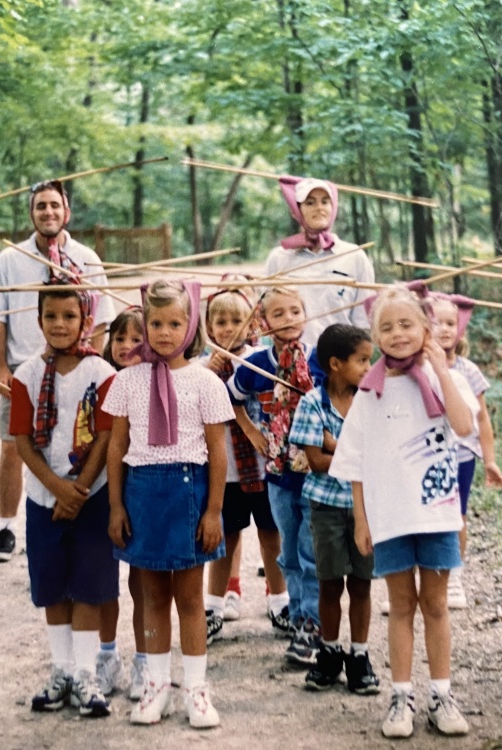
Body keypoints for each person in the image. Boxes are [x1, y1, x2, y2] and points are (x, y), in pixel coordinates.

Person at [328, 285, 478, 739]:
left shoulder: (443, 378)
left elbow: (463, 425)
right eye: (387, 327)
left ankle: (442, 695)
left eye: (407, 324)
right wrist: (361, 518)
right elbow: (355, 461)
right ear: (375, 337)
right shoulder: (369, 391)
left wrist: (441, 368)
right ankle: (401, 696)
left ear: (426, 329)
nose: (397, 334)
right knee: (400, 606)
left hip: (436, 513)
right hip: (390, 515)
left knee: (436, 604)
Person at [103, 280, 233, 728]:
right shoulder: (126, 381)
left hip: (189, 492)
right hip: (142, 494)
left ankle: (196, 688)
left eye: (175, 323)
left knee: (190, 597)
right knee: (152, 595)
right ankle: (156, 685)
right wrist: (116, 506)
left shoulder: (205, 382)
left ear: (191, 326)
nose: (163, 332)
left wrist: (213, 510)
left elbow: (217, 452)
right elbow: (116, 446)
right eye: (155, 323)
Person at [0, 180, 115, 562]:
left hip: (78, 367)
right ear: (31, 213)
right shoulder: (10, 259)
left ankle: (72, 513)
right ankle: (6, 527)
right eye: (41, 206)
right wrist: (0, 367)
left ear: (66, 211)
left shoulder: (86, 258)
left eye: (55, 205)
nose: (48, 212)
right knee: (12, 446)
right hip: (24, 367)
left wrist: (91, 365)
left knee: (78, 444)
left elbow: (101, 320)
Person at [8, 282, 118, 718]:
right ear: (38, 321)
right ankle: (62, 669)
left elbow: (106, 435)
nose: (59, 324)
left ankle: (86, 674)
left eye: (69, 316)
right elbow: (22, 440)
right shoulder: (26, 375)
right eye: (50, 316)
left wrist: (80, 489)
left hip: (92, 494)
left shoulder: (101, 373)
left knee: (89, 584)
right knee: (53, 584)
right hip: (44, 496)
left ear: (85, 321)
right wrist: (57, 487)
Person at [228, 287, 322, 666]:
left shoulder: (319, 360)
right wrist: (251, 431)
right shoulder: (254, 364)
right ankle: (298, 617)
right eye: (278, 314)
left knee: (312, 552)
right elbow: (230, 398)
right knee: (290, 552)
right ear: (263, 322)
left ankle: (313, 623)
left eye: (295, 311)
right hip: (278, 476)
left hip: (316, 475)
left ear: (305, 314)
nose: (288, 319)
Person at [289, 323, 380, 695]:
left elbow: (377, 455)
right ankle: (329, 652)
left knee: (361, 584)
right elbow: (315, 462)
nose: (368, 368)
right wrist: (350, 453)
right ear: (335, 364)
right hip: (325, 506)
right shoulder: (312, 403)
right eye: (362, 360)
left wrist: (334, 445)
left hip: (365, 509)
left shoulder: (372, 401)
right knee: (328, 582)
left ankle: (359, 655)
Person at [201, 288, 288, 645]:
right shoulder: (202, 367)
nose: (229, 328)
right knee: (226, 537)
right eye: (220, 321)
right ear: (209, 327)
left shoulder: (259, 359)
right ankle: (213, 607)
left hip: (263, 466)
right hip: (226, 471)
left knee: (271, 534)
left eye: (237, 320)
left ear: (252, 325)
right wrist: (208, 374)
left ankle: (280, 602)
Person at [430, 295, 502, 608]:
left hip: (461, 455)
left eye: (451, 323)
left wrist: (490, 460)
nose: (445, 329)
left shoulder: (468, 370)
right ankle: (419, 578)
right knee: (424, 514)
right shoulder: (413, 367)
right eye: (436, 322)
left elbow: (482, 418)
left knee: (456, 515)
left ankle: (453, 578)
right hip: (424, 455)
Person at [97, 307, 149, 700]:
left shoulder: (155, 381)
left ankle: (145, 660)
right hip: (101, 489)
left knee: (142, 580)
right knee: (102, 579)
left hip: (143, 488)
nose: (126, 346)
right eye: (119, 339)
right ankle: (106, 655)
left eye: (136, 339)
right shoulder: (100, 378)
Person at [264, 176, 375, 347]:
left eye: (325, 202)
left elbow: (363, 321)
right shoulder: (279, 258)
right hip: (291, 356)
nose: (319, 208)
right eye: (310, 203)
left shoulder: (354, 256)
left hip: (340, 355)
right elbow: (267, 315)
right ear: (295, 210)